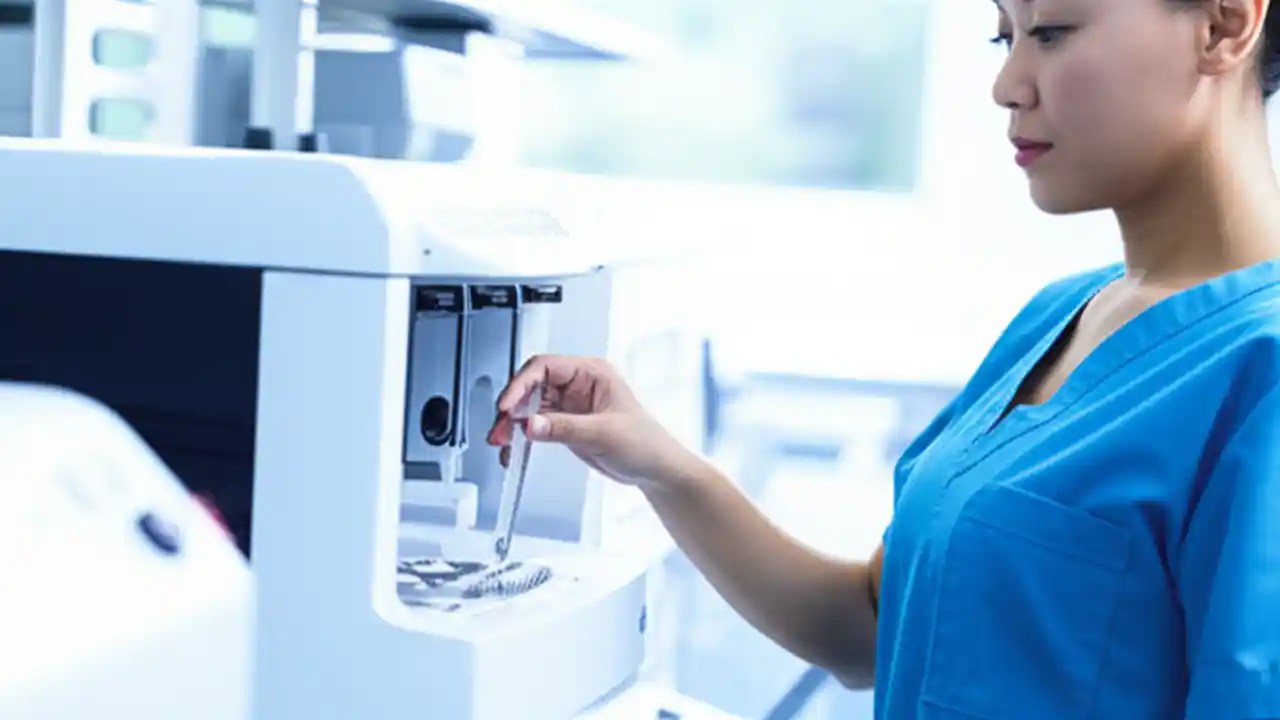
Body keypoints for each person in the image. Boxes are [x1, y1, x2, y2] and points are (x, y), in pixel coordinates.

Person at [488, 0, 1280, 716]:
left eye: (1051, 33)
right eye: (1003, 37)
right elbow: (868, 629)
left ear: (1223, 25)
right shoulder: (1060, 316)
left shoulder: (1261, 375)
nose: (1007, 85)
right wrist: (660, 465)